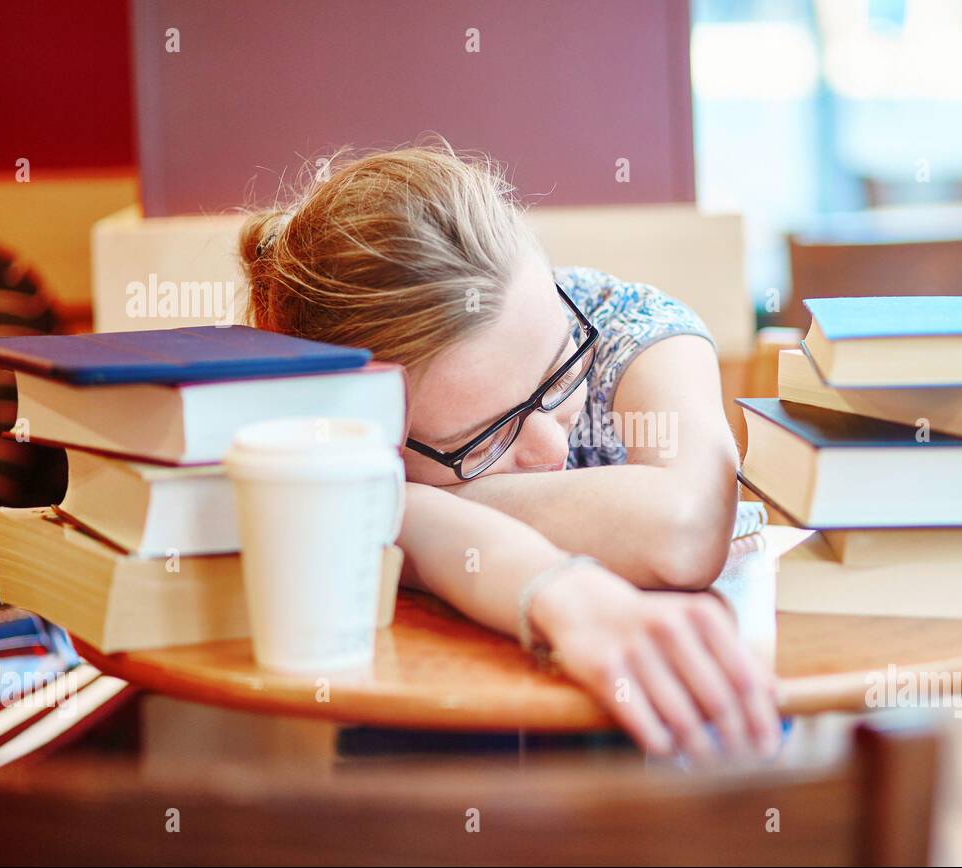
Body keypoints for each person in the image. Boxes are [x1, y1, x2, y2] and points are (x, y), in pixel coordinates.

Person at [239, 142, 779, 761]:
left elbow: (683, 528)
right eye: (485, 436)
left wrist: (402, 505)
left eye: (559, 370)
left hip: (691, 727)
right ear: (366, 426)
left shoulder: (625, 325)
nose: (551, 443)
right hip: (435, 734)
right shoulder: (295, 434)